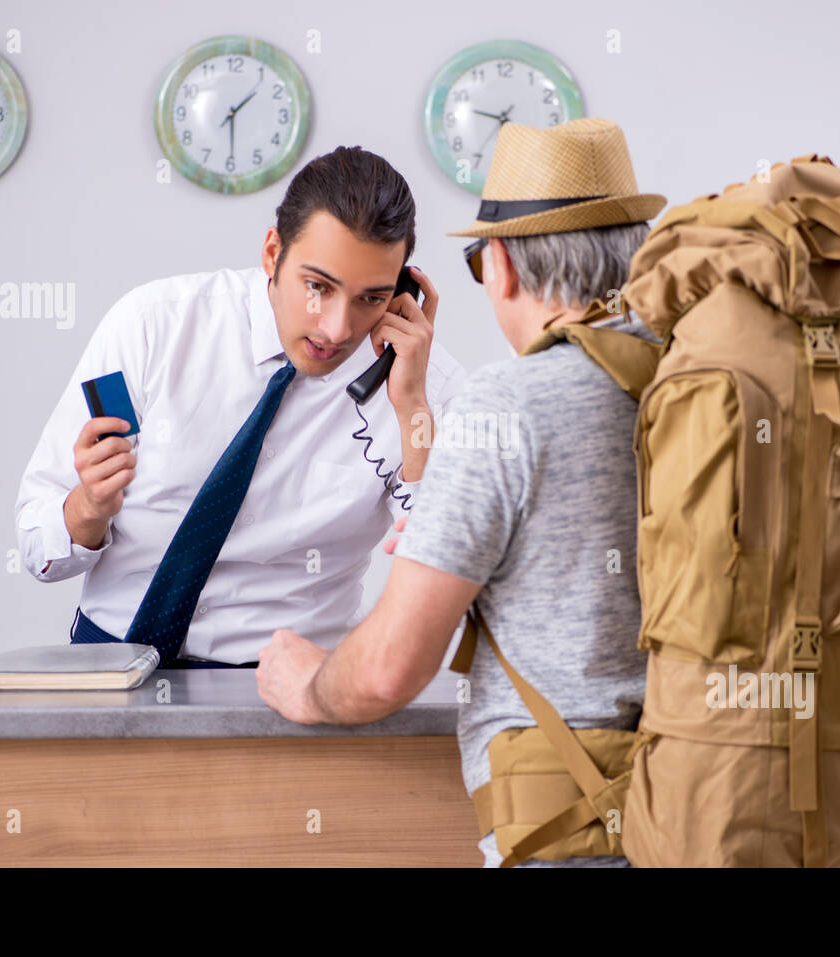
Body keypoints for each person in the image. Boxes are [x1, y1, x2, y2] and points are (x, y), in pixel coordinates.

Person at [256, 117, 666, 866]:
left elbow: (388, 670)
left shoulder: (506, 403)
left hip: (574, 831)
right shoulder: (701, 384)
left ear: (501, 266)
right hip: (726, 808)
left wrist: (311, 683)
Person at [14, 146, 466, 667]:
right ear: (273, 253)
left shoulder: (427, 387)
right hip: (113, 670)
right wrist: (88, 509)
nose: (337, 329)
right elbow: (35, 547)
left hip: (297, 691)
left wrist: (411, 408)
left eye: (370, 298)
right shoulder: (152, 327)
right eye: (318, 287)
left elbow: (448, 568)